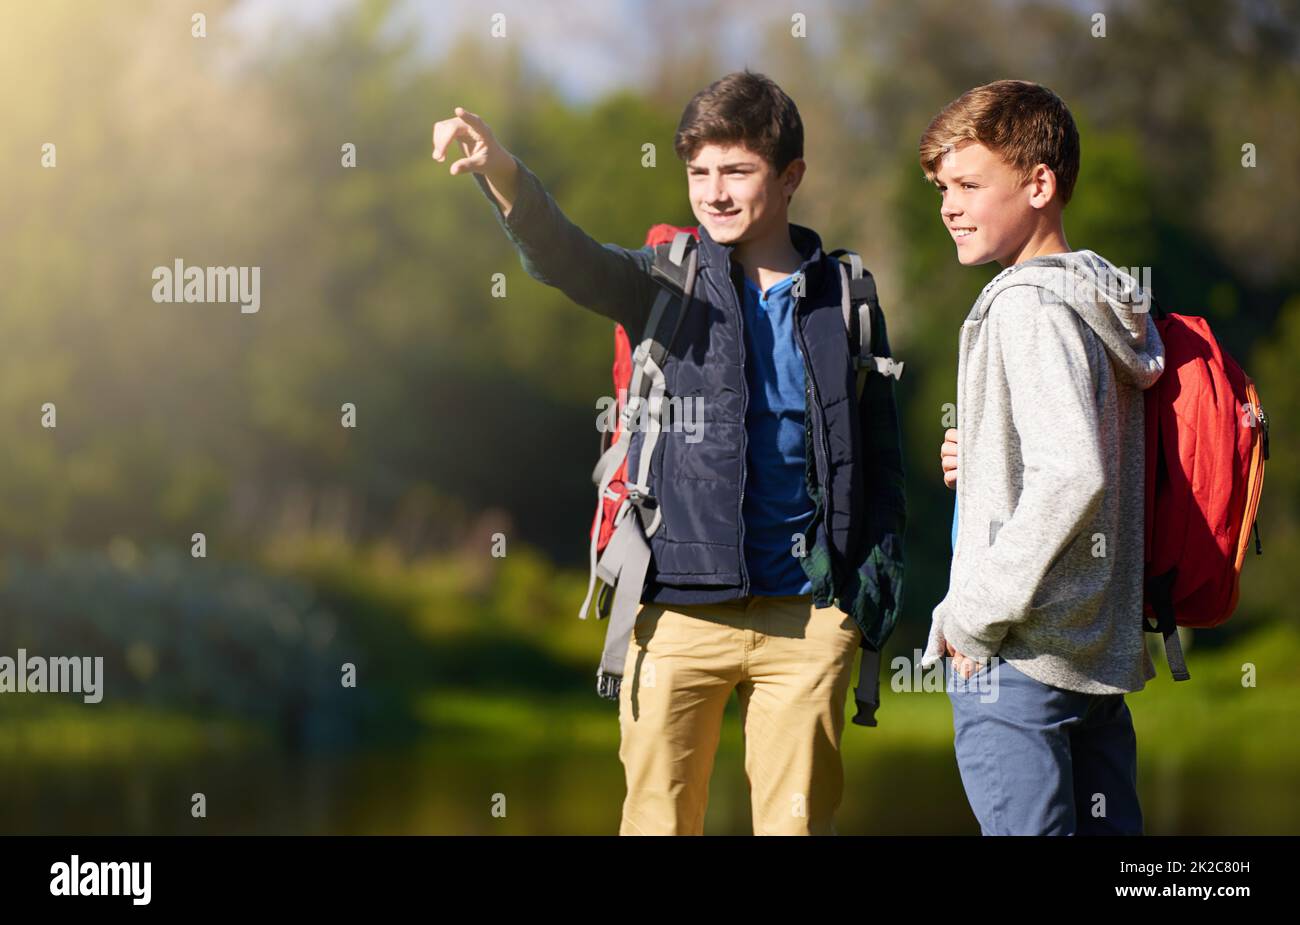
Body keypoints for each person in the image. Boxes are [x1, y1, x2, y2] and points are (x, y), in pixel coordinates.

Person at [433, 70, 905, 835]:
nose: (714, 191)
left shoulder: (845, 297)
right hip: (676, 608)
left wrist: (865, 587)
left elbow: (880, 455)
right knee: (657, 823)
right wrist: (501, 172)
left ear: (791, 177)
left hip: (808, 617)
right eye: (699, 172)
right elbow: (565, 257)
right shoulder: (664, 279)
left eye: (736, 171)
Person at [919, 80, 1165, 835]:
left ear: (1038, 183)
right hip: (1094, 658)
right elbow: (1081, 452)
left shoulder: (1026, 303)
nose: (948, 206)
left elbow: (1071, 472)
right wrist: (989, 460)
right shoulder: (1098, 300)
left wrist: (971, 613)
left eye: (968, 184)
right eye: (940, 188)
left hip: (1020, 660)